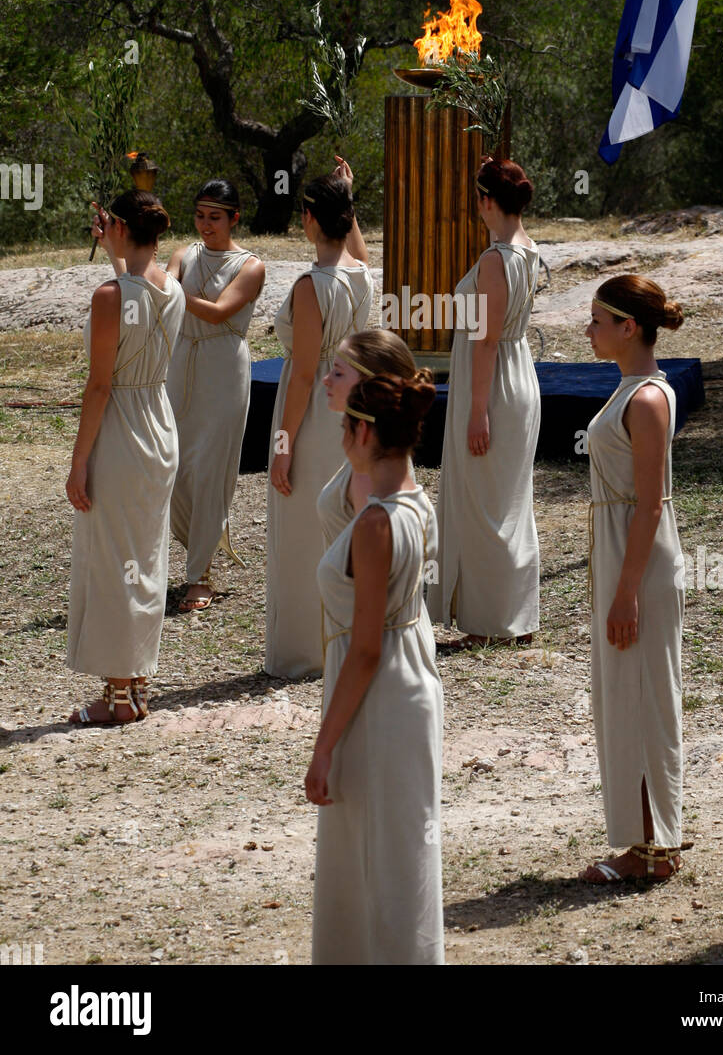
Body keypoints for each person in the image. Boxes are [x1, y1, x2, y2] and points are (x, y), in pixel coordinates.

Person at [306, 373, 444, 965]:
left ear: (364, 433)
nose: (341, 434)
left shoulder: (375, 524)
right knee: (399, 846)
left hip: (378, 693)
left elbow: (364, 650)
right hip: (411, 679)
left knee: (382, 853)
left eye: (346, 425)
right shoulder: (416, 502)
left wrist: (323, 745)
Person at [578, 274, 686, 883]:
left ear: (628, 327)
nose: (588, 329)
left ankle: (654, 849)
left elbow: (651, 503)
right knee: (625, 694)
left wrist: (625, 591)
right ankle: (646, 840)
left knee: (643, 695)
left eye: (598, 320)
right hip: (623, 556)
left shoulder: (646, 399)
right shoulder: (630, 391)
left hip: (639, 563)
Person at [65, 191, 185, 724]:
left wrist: (78, 461)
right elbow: (138, 292)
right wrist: (116, 248)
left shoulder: (109, 295)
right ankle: (135, 684)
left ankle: (117, 695)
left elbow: (99, 385)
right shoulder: (174, 289)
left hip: (121, 430)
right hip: (159, 424)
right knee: (145, 557)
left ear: (117, 226)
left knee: (117, 559)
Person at [266, 158, 372, 679]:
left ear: (310, 220)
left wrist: (283, 444)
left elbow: (304, 375)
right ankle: (342, 638)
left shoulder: (312, 286)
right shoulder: (362, 275)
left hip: (312, 416)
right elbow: (359, 250)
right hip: (350, 413)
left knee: (305, 529)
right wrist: (345, 196)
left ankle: (304, 652)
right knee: (339, 525)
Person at [436, 157, 541, 645]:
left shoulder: (498, 260)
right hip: (518, 375)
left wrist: (477, 411)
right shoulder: (526, 248)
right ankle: (508, 613)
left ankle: (491, 621)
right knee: (506, 499)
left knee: (486, 502)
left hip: (494, 384)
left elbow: (485, 340)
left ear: (486, 201)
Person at [165, 180, 265, 611]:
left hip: (224, 366)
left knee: (210, 468)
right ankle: (198, 547)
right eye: (200, 215)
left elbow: (221, 310)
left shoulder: (251, 265)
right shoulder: (182, 254)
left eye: (215, 217)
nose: (206, 225)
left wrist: (169, 292)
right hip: (180, 360)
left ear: (234, 218)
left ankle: (199, 574)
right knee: (172, 464)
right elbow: (156, 293)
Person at [318, 329, 418, 546]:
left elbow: (377, 561)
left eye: (338, 373)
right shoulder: (383, 446)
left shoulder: (369, 471)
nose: (326, 380)